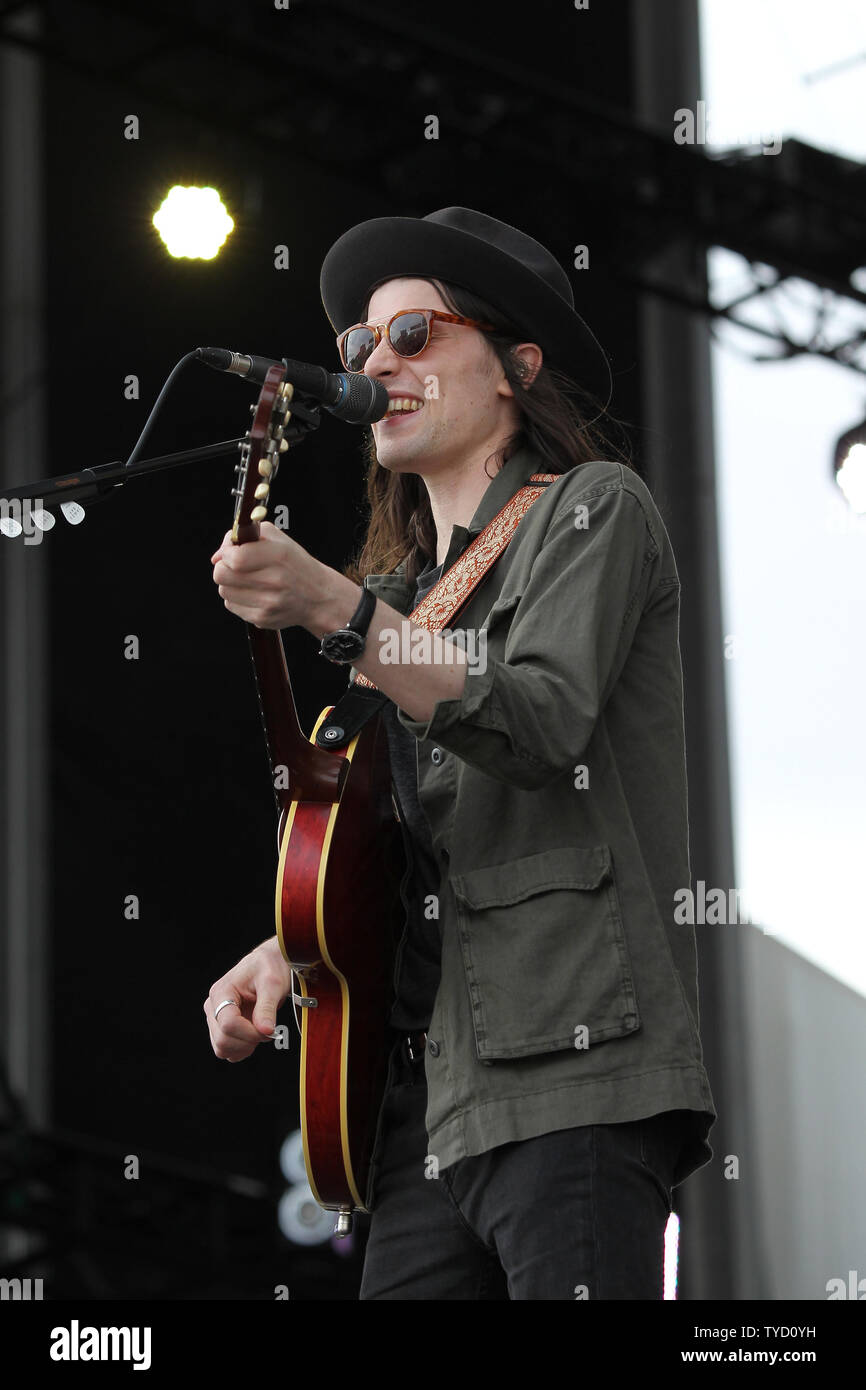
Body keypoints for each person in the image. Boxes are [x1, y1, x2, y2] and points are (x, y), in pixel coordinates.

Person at [204, 207, 717, 1300]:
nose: (374, 361)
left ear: (514, 368)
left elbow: (536, 722)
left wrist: (337, 611)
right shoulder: (396, 598)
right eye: (358, 346)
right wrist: (291, 944)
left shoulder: (592, 512)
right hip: (424, 1108)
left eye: (413, 335)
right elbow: (393, 854)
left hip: (575, 1079)